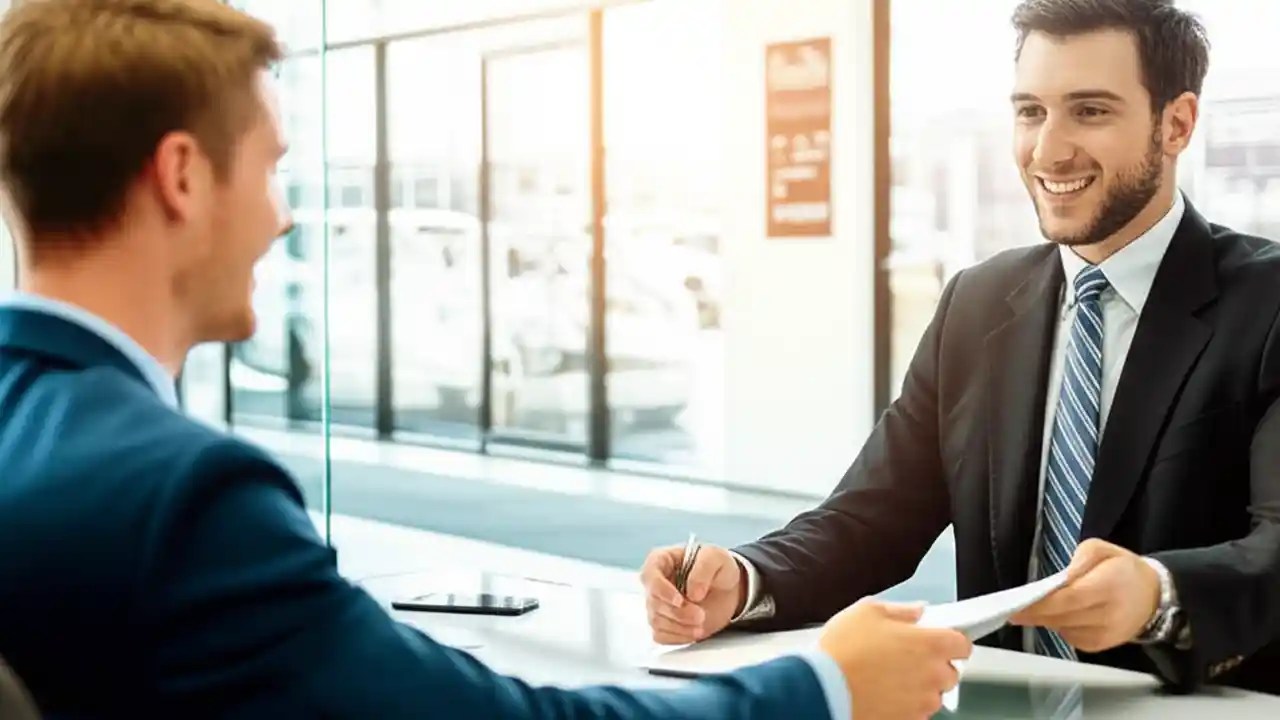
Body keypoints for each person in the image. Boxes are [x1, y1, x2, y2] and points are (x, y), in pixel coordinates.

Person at [0, 1, 972, 718]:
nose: (283, 215)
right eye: (272, 167)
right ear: (181, 176)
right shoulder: (190, 500)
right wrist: (825, 686)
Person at [641, 0, 1280, 696]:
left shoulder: (1266, 305)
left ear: (1177, 123)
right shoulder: (978, 303)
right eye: (1031, 111)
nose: (1048, 150)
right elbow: (873, 517)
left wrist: (1158, 595)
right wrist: (744, 580)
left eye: (1090, 111)